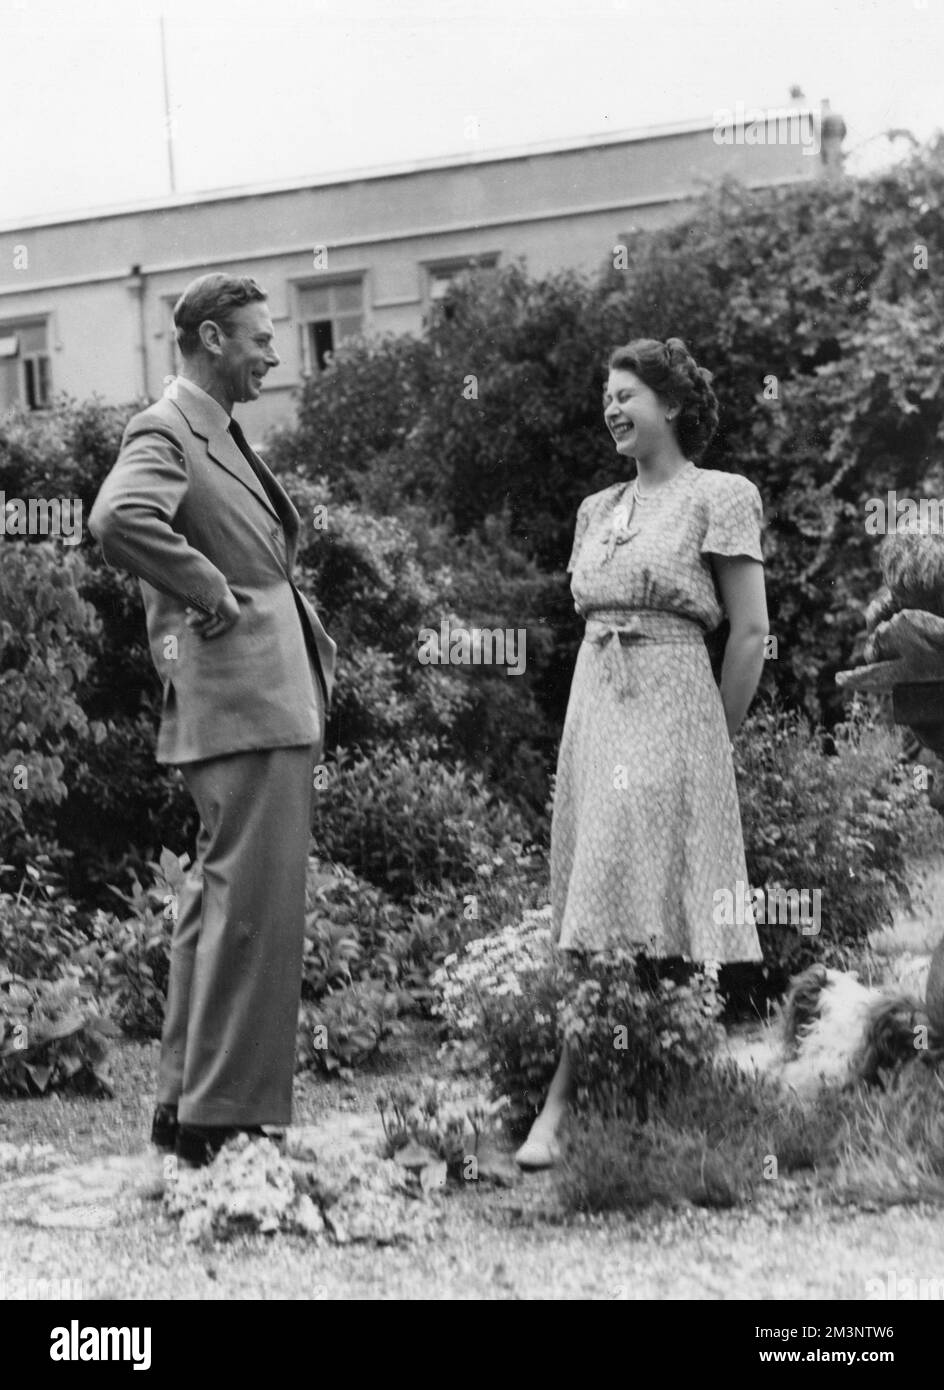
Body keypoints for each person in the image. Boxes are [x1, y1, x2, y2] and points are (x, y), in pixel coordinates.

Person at [89, 272, 337, 1167]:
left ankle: (185, 1104)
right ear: (206, 339)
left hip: (257, 694)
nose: (274, 349)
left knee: (217, 898)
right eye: (259, 336)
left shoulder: (217, 431)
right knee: (253, 905)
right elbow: (118, 518)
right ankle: (225, 1119)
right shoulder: (168, 427)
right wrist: (206, 589)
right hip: (242, 694)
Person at [515, 337, 768, 1170]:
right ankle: (641, 1088)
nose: (612, 409)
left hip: (674, 704)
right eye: (606, 399)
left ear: (674, 406)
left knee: (632, 902)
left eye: (627, 395)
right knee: (608, 894)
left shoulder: (719, 496)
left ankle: (561, 1102)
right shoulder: (597, 509)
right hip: (598, 705)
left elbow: (752, 633)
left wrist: (714, 741)